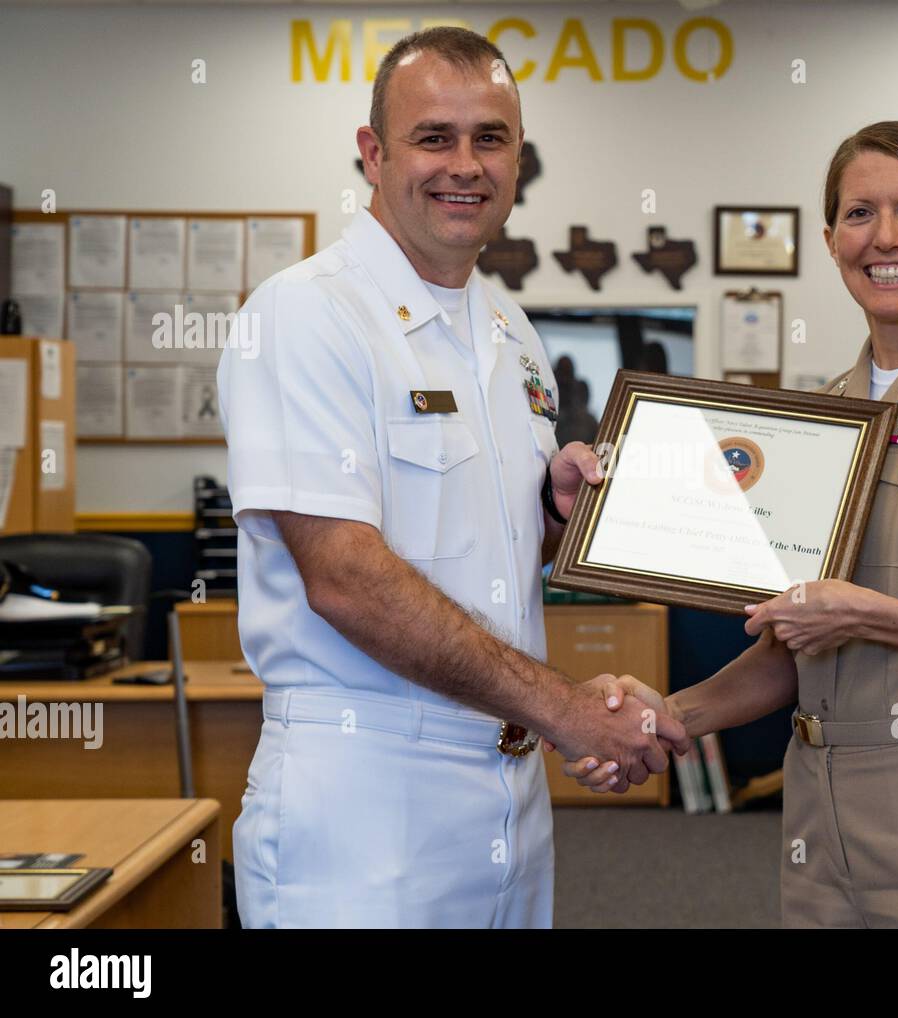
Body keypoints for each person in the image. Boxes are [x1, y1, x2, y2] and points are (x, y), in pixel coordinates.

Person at [558, 121, 898, 928]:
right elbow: (795, 653)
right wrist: (664, 719)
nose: (885, 238)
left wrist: (872, 613)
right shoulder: (825, 416)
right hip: (817, 820)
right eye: (859, 215)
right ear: (829, 239)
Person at [218, 27, 686, 929]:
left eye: (492, 138)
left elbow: (488, 556)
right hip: (365, 804)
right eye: (434, 136)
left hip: (508, 791)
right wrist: (566, 708)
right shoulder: (303, 316)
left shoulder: (511, 332)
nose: (464, 165)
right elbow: (345, 579)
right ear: (372, 153)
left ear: (519, 158)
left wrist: (555, 516)